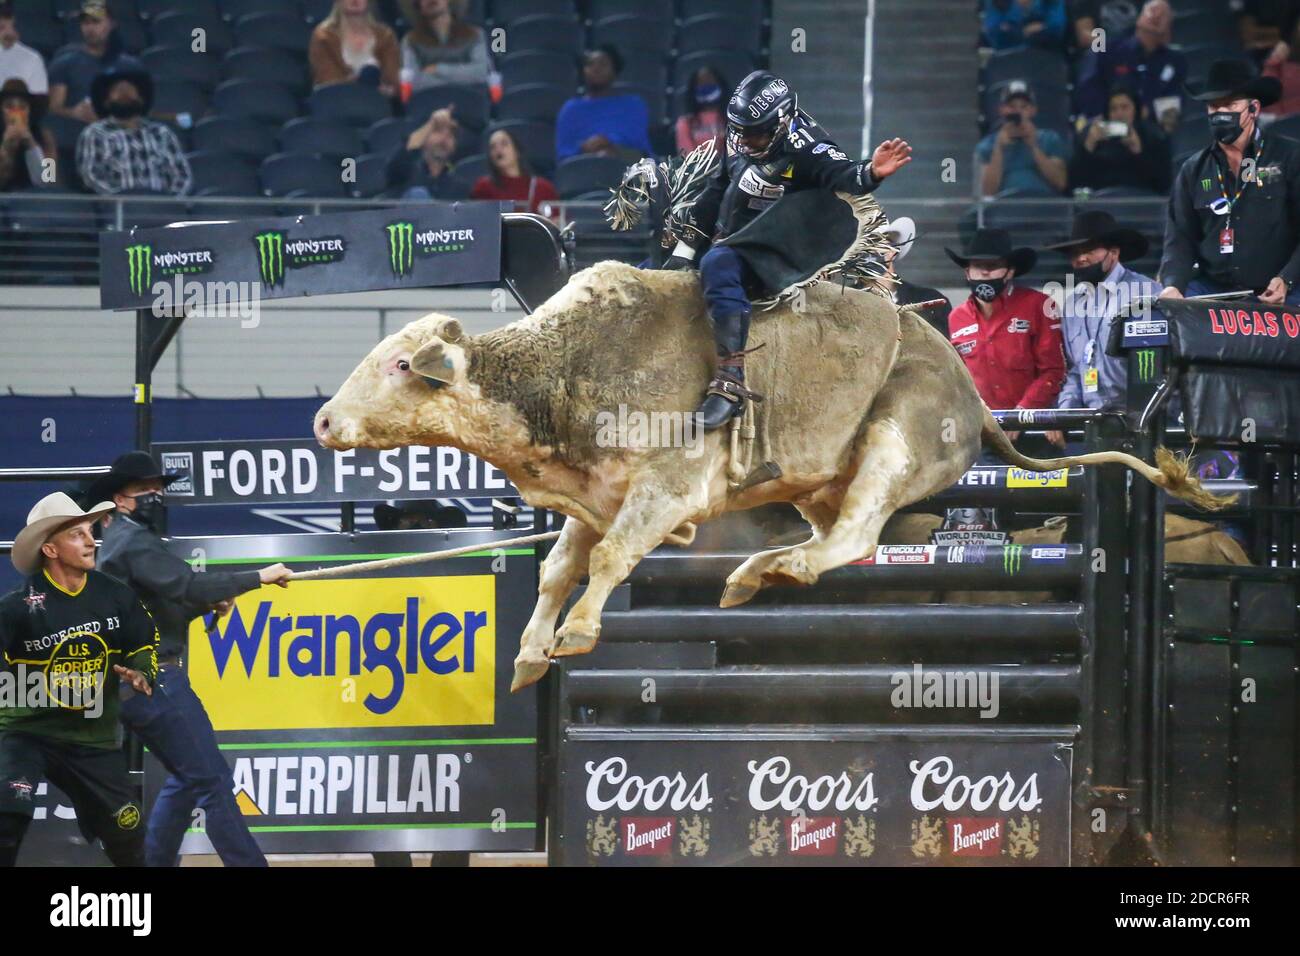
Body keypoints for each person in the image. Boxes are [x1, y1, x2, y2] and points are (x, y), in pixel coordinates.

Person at [664, 70, 913, 428]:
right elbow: (715, 192)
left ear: (782, 123)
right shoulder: (739, 140)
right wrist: (683, 253)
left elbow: (844, 174)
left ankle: (730, 383)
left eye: (756, 133)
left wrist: (872, 171)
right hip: (731, 235)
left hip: (776, 252)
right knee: (651, 268)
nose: (747, 141)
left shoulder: (810, 148)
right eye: (741, 132)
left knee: (719, 262)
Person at [88, 452, 292, 868]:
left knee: (187, 779)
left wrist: (206, 603)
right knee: (213, 781)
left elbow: (166, 603)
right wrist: (258, 577)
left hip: (135, 687)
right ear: (119, 500)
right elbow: (187, 584)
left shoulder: (118, 544)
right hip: (157, 681)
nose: (153, 497)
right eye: (144, 490)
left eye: (157, 490)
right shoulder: (134, 542)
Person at [0, 492, 158, 868]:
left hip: (92, 736)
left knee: (128, 833)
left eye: (90, 531)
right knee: (6, 815)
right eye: (76, 534)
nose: (90, 540)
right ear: (51, 550)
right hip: (26, 730)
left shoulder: (115, 596)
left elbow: (143, 640)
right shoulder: (17, 607)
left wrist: (141, 670)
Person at [1159, 59, 1300, 306]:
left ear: (1254, 108)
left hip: (1281, 289)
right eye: (1214, 107)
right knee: (1165, 313)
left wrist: (1286, 278)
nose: (1221, 113)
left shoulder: (1289, 157)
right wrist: (1173, 285)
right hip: (1215, 290)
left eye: (1230, 104)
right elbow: (1179, 239)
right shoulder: (1194, 170)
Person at [1040, 211, 1159, 447]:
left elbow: (1162, 368)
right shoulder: (1073, 304)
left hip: (1143, 423)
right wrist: (1064, 412)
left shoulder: (1147, 294)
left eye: (1089, 250)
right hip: (1092, 424)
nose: (1081, 258)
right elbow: (1076, 369)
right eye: (1075, 253)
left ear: (1113, 253)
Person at [945, 229, 1065, 441]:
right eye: (977, 266)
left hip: (1033, 429)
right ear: (967, 272)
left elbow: (1054, 371)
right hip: (981, 432)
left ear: (1009, 271)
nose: (984, 273)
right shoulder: (957, 317)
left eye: (992, 266)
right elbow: (957, 380)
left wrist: (1020, 414)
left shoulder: (1039, 305)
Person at [76, 67, 191, 195]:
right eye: (117, 91)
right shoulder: (94, 133)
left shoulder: (161, 132)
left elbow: (181, 175)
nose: (124, 94)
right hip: (117, 209)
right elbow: (91, 175)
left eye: (130, 91)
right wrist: (121, 201)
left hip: (162, 208)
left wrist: (170, 203)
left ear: (141, 100)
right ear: (106, 102)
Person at [1075, 1, 1185, 133]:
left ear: (1169, 30)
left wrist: (1148, 113)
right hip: (1106, 128)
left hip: (1149, 133)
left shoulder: (1174, 61)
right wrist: (1112, 116)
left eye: (1163, 13)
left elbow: (1171, 111)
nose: (1156, 14)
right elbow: (1088, 94)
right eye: (1152, 10)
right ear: (1139, 19)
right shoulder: (1106, 51)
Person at [48, 1, 144, 124]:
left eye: (96, 22)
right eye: (86, 23)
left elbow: (141, 107)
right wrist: (73, 112)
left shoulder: (131, 66)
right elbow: (53, 108)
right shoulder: (64, 63)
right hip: (77, 132)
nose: (90, 28)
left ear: (112, 24)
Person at [555, 46, 653, 163]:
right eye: (590, 64)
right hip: (583, 168)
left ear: (615, 70)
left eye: (603, 64)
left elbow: (639, 149)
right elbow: (564, 154)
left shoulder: (634, 105)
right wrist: (585, 148)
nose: (596, 68)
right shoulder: (570, 109)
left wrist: (609, 144)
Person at [1068, 84, 1171, 193]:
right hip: (1101, 202)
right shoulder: (1093, 138)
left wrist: (1138, 152)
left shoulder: (1153, 137)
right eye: (1113, 109)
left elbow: (1163, 185)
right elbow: (1074, 184)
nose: (1119, 113)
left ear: (1135, 110)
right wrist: (1088, 147)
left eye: (1125, 107)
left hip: (1140, 203)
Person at [978, 80, 1069, 197]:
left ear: (1033, 110)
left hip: (1043, 208)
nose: (1018, 111)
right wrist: (999, 148)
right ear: (1001, 110)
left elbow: (1060, 183)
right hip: (1004, 210)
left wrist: (1034, 147)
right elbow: (988, 192)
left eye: (1023, 106)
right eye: (1012, 106)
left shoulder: (1050, 139)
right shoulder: (987, 145)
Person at [309, 0, 400, 98]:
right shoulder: (324, 36)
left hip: (378, 103)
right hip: (337, 104)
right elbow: (328, 82)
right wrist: (360, 82)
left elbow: (393, 82)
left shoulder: (385, 36)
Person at [881, 216, 951, 336]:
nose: (870, 252)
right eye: (865, 247)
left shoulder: (929, 301)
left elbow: (945, 351)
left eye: (878, 245)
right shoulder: (844, 302)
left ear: (893, 249)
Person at [399, 0, 490, 91]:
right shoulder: (410, 40)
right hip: (429, 100)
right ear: (417, 5)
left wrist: (438, 69)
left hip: (471, 98)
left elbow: (482, 71)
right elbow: (412, 80)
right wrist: (462, 77)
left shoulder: (475, 34)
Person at [470, 126, 557, 214]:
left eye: (504, 144)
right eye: (493, 147)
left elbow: (557, 220)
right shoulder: (483, 188)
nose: (498, 149)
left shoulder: (543, 188)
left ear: (517, 151)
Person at [388, 104, 464, 198]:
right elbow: (400, 157)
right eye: (438, 131)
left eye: (451, 134)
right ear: (424, 137)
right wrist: (431, 123)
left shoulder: (460, 188)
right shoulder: (404, 170)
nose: (444, 137)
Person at [1, 79, 57, 190]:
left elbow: (49, 179)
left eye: (22, 107)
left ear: (29, 111)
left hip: (33, 201)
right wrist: (6, 145)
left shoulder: (45, 136)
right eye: (9, 107)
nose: (16, 112)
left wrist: (31, 143)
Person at [0, 3, 49, 105]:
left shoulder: (32, 59)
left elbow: (38, 103)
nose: (9, 33)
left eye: (13, 26)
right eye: (1, 27)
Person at [675, 66, 727, 155]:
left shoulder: (732, 118)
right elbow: (687, 155)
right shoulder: (685, 123)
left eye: (709, 82)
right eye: (701, 84)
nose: (706, 86)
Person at [982, 0, 1068, 50]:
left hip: (1046, 57)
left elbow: (1056, 28)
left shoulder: (1050, 2)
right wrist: (1024, 31)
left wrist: (1013, 30)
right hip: (1007, 59)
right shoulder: (999, 3)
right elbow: (993, 32)